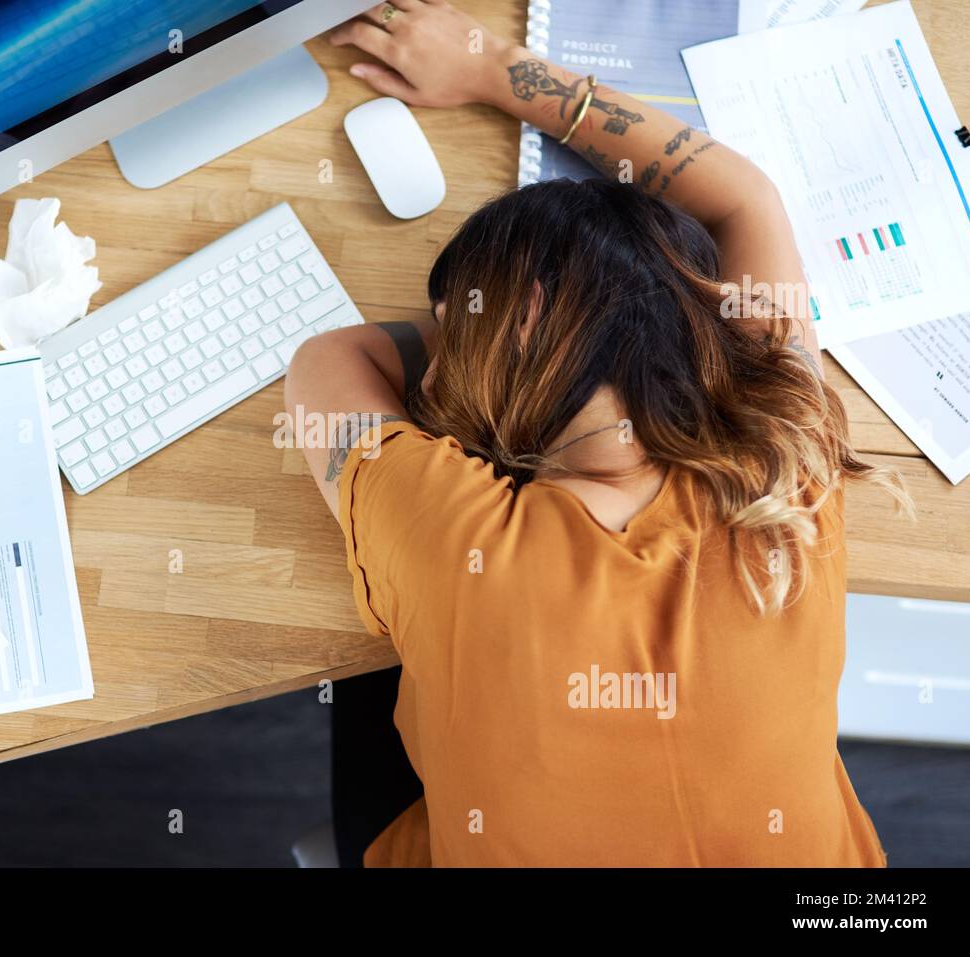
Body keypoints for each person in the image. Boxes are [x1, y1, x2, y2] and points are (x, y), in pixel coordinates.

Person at [284, 0, 911, 866]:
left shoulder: (454, 536)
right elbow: (744, 199)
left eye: (452, 331)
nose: (433, 382)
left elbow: (324, 364)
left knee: (370, 668)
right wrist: (491, 73)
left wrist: (490, 337)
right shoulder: (783, 463)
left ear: (521, 319)